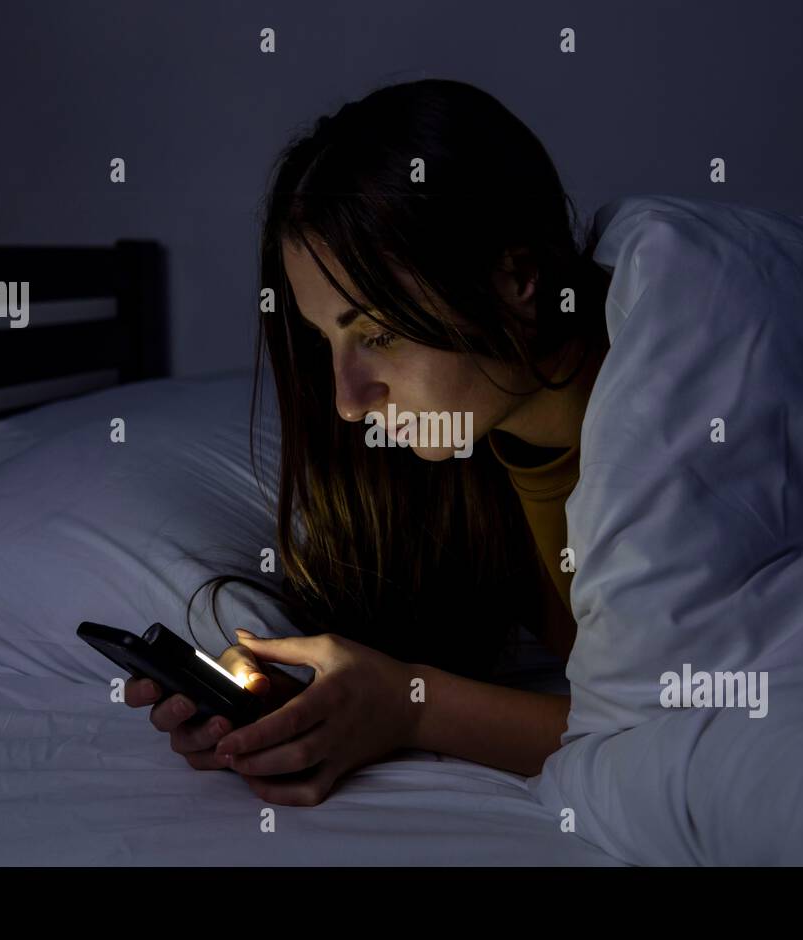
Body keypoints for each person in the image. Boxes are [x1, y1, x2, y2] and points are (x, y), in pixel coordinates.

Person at [122, 78, 615, 803]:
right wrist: (314, 709)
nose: (348, 403)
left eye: (377, 332)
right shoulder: (480, 460)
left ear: (518, 280)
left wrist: (410, 705)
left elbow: (684, 735)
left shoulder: (666, 439)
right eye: (327, 342)